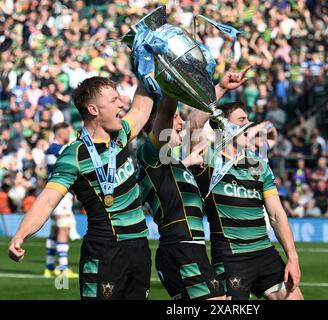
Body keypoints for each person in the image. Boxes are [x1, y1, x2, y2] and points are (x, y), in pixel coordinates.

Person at [9, 76, 154, 300]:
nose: (120, 104)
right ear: (94, 109)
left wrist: (148, 67)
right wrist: (20, 235)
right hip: (105, 251)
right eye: (114, 100)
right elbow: (47, 200)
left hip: (139, 248)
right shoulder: (73, 155)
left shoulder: (121, 134)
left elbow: (141, 109)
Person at [137, 68, 249, 300]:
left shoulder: (173, 162)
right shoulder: (150, 154)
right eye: (175, 118)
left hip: (190, 248)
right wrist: (172, 83)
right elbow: (171, 114)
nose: (180, 122)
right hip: (181, 249)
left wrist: (220, 87)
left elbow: (194, 124)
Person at [189, 101, 303, 300]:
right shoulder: (208, 158)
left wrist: (293, 258)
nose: (248, 124)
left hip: (265, 252)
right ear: (224, 127)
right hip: (231, 257)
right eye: (242, 120)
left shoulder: (259, 165)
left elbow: (276, 214)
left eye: (248, 119)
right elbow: (194, 125)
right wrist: (220, 88)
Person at [43, 122, 78, 278]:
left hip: (57, 193)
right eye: (67, 132)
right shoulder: (56, 149)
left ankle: (49, 266)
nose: (69, 135)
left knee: (56, 229)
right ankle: (63, 268)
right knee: (64, 228)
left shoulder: (54, 149)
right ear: (59, 132)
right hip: (60, 193)